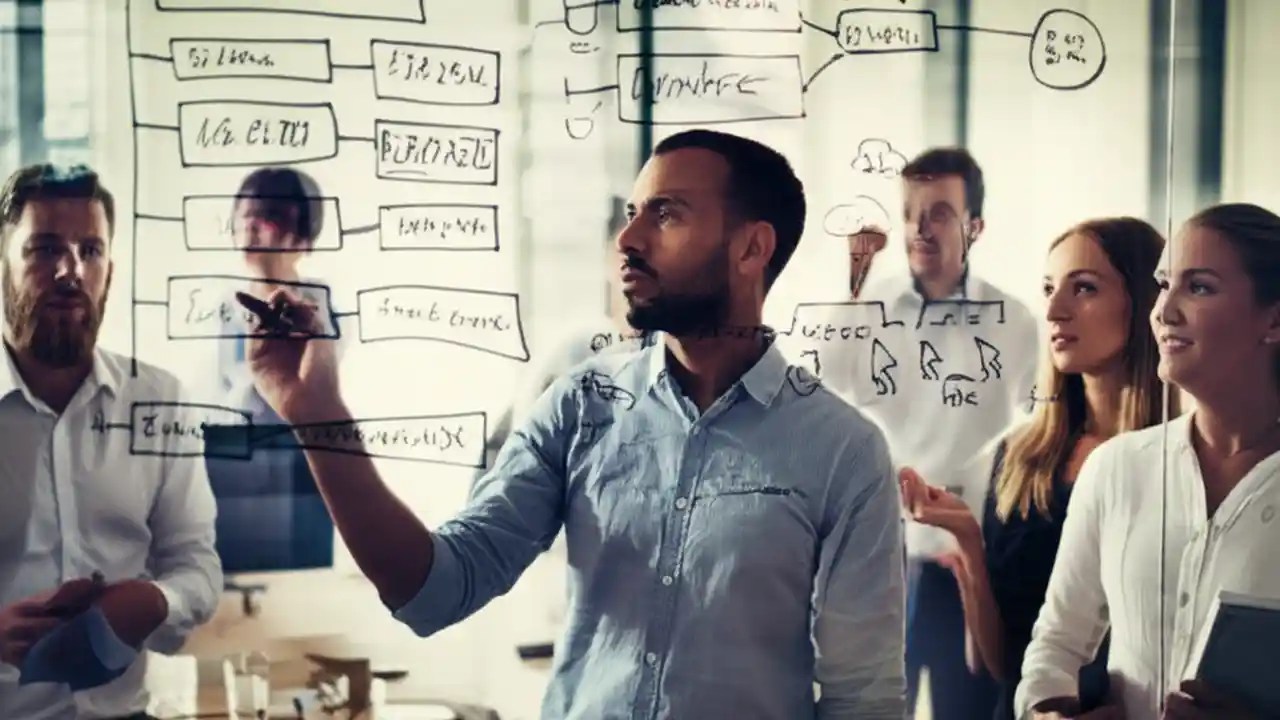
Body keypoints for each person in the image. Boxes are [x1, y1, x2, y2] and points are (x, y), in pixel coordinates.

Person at [242, 129, 907, 718]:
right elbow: (432, 590)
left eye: (666, 214)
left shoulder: (842, 451)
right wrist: (317, 415)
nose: (629, 239)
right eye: (632, 213)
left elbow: (862, 699)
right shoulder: (579, 407)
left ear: (751, 248)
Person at [897, 217, 1172, 719]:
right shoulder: (1021, 459)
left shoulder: (1177, 458)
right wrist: (968, 544)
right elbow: (1000, 664)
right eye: (1048, 289)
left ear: (1145, 303)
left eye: (1083, 288)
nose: (1054, 309)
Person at [1016, 203, 1280, 720]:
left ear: (1273, 319)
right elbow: (1055, 645)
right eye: (1163, 284)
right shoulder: (1117, 469)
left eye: (1199, 287)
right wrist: (1045, 712)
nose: (1163, 312)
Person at [819, 147, 1039, 719]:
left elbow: (1039, 429)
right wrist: (855, 281)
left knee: (962, 712)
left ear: (976, 227)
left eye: (939, 211)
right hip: (876, 558)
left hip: (959, 561)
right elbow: (820, 386)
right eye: (911, 210)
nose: (919, 226)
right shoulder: (867, 307)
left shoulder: (1014, 322)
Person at [0, 163, 222, 719]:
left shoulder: (162, 402)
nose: (70, 271)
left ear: (110, 273)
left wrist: (154, 600)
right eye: (43, 249)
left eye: (90, 251)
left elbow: (197, 563)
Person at [204, 166, 337, 575]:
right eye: (242, 220)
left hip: (300, 458)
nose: (249, 233)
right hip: (233, 462)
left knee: (300, 588)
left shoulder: (319, 304)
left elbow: (321, 389)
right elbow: (217, 393)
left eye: (265, 222)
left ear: (301, 240)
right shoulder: (224, 305)